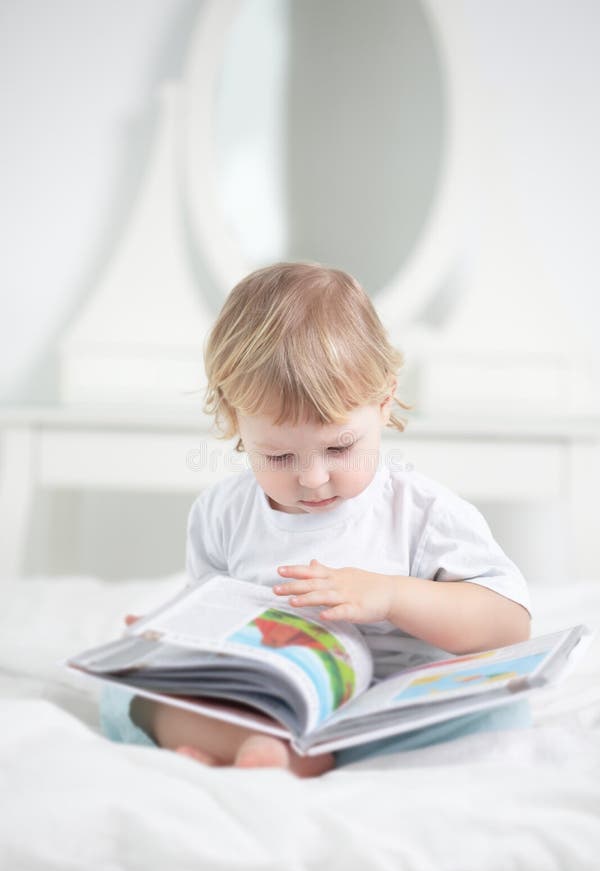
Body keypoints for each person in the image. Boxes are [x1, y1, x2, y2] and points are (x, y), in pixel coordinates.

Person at [100, 262, 532, 776]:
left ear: (383, 401)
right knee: (119, 691)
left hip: (387, 708)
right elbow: (217, 626)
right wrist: (171, 636)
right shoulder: (222, 513)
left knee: (503, 711)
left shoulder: (423, 514)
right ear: (235, 419)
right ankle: (264, 745)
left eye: (339, 448)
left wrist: (392, 596)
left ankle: (262, 752)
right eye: (279, 456)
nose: (312, 478)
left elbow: (509, 626)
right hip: (273, 701)